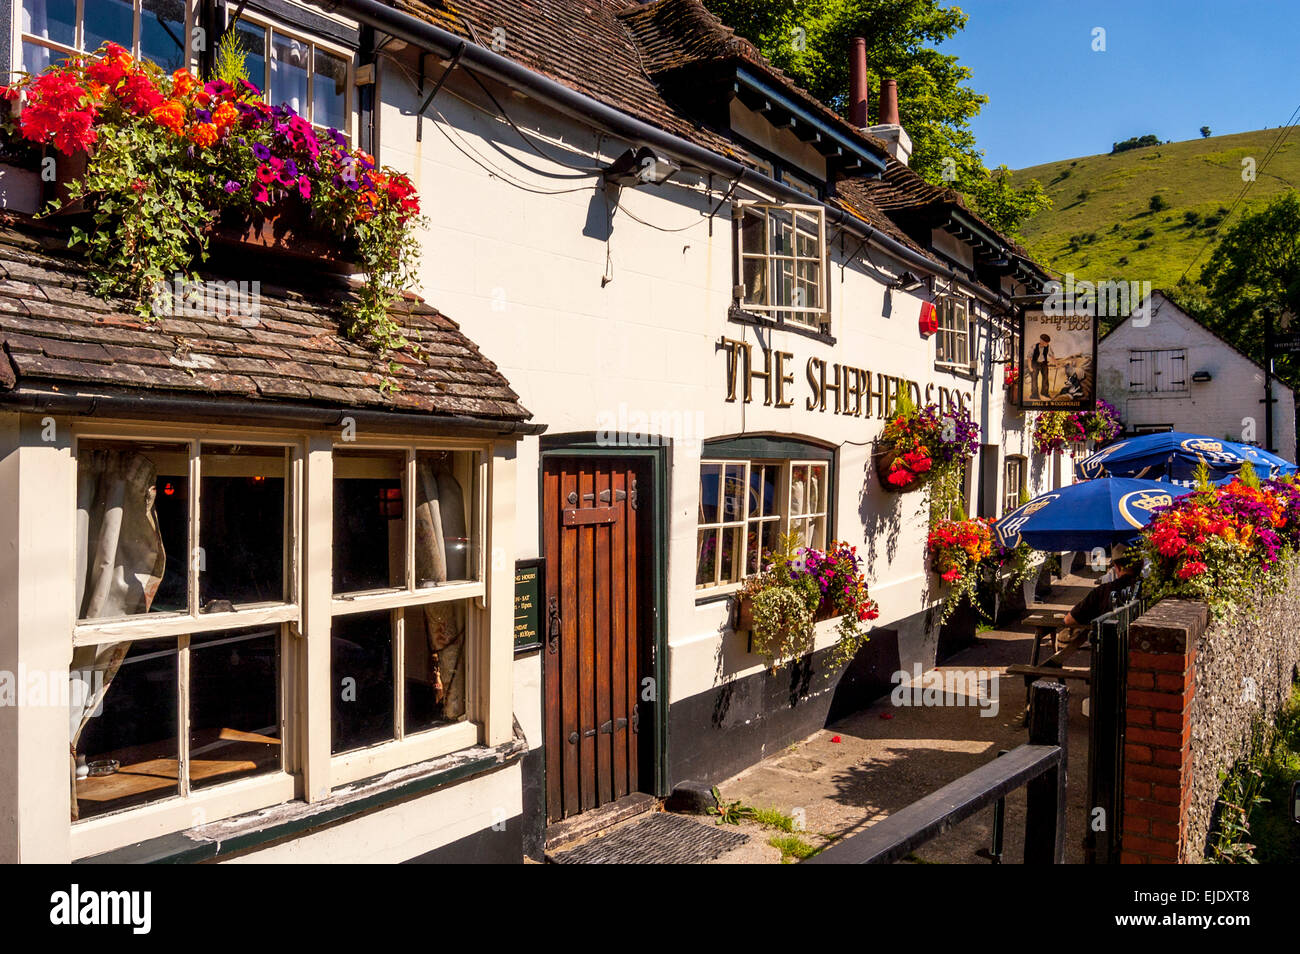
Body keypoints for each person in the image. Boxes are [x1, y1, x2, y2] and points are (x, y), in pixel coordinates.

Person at [1055, 543, 1142, 651]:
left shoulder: (1103, 591)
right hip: (1140, 650)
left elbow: (1069, 620)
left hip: (1110, 653)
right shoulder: (1149, 589)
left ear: (1117, 567)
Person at [1030, 334, 1053, 399]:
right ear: (1042, 341)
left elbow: (1052, 356)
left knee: (1045, 378)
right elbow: (1029, 357)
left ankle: (1045, 392)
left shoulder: (1048, 347)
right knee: (1034, 379)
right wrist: (1030, 367)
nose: (1047, 343)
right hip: (1035, 363)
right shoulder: (1034, 346)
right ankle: (1034, 394)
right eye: (1046, 342)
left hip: (1044, 363)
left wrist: (1056, 364)